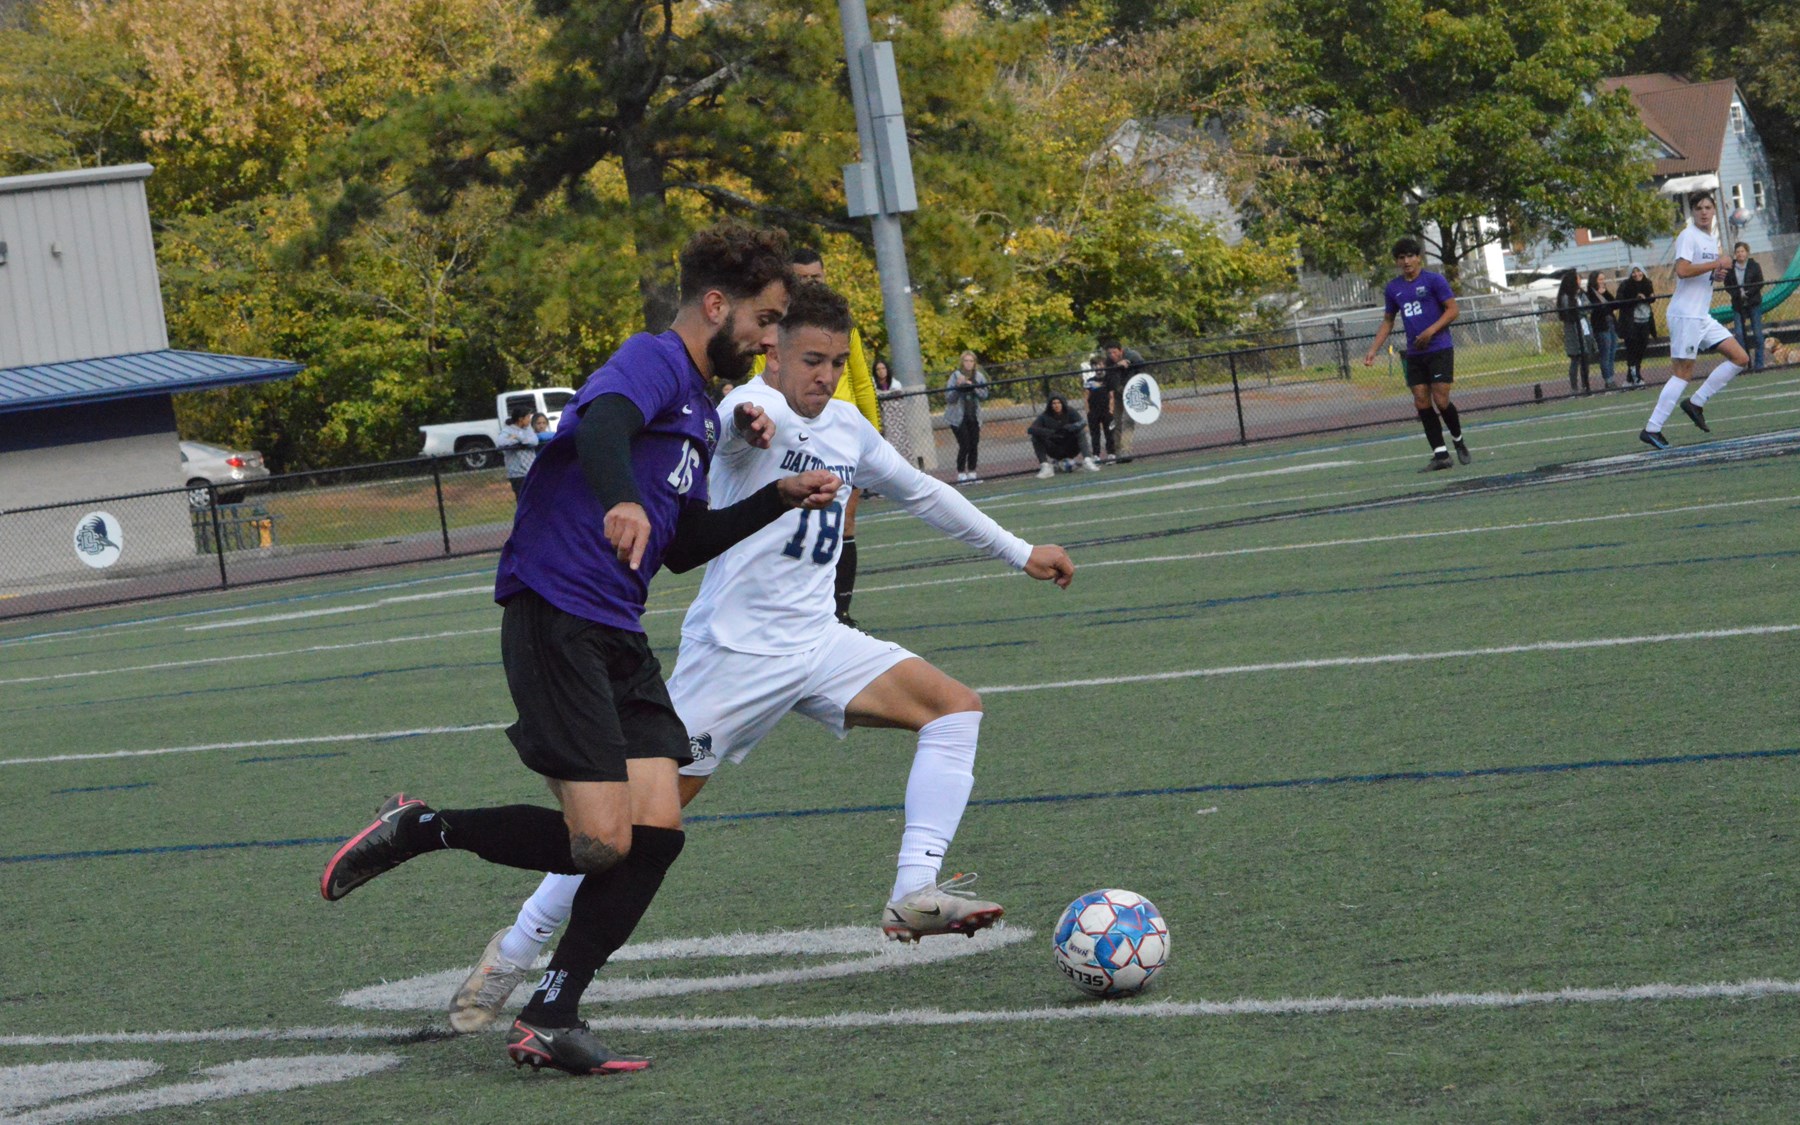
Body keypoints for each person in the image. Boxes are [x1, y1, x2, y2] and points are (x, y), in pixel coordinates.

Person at [445, 281, 1077, 1035]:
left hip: (818, 642)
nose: (823, 375)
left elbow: (923, 494)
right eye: (811, 358)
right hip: (734, 661)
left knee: (956, 707)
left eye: (837, 363)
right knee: (629, 829)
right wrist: (743, 426)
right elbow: (725, 436)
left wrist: (1020, 551)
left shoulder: (846, 428)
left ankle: (914, 888)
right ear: (771, 353)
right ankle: (510, 955)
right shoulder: (745, 409)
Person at [319, 223, 845, 1077]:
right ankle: (425, 826)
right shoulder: (654, 360)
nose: (770, 337)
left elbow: (680, 543)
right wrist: (617, 499)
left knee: (657, 830)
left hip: (618, 630)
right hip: (555, 610)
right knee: (600, 841)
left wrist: (778, 496)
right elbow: (600, 424)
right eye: (766, 317)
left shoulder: (699, 418)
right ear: (717, 305)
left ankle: (553, 1010)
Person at [1639, 193, 1753, 449]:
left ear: (1714, 211)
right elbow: (1682, 270)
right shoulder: (1688, 235)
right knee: (1682, 374)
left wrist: (1718, 272)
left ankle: (1696, 403)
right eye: (1699, 208)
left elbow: (1706, 273)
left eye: (1708, 207)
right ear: (1693, 212)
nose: (1704, 212)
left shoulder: (1710, 239)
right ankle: (1652, 428)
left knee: (1741, 359)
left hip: (1701, 315)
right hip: (1685, 315)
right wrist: (1716, 263)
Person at [1362, 237, 1471, 471]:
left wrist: (1431, 331)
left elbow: (1453, 310)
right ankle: (1440, 454)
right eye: (1401, 258)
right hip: (1415, 353)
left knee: (1441, 400)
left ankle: (1458, 439)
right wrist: (1373, 350)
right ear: (1397, 262)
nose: (1406, 261)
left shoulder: (1434, 280)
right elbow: (1388, 321)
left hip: (1439, 347)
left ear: (1418, 257)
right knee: (1421, 400)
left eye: (1410, 256)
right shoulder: (1393, 288)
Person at [1028, 394, 1101, 477]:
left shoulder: (1070, 411)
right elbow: (1031, 429)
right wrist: (1051, 432)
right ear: (1050, 405)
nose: (1056, 405)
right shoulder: (1044, 416)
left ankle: (1087, 461)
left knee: (1081, 431)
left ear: (1063, 403)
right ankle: (1045, 466)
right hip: (1054, 449)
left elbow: (1082, 422)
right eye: (1054, 403)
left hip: (1071, 447)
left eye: (1059, 403)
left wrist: (1071, 428)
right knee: (1035, 437)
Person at [944, 350, 988, 483]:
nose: (968, 364)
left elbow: (984, 394)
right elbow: (949, 398)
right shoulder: (955, 376)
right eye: (966, 361)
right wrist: (958, 386)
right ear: (962, 362)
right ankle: (961, 472)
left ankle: (973, 472)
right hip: (958, 417)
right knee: (964, 444)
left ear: (974, 363)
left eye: (971, 361)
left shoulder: (979, 376)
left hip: (973, 415)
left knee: (974, 444)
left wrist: (973, 387)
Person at [1099, 341, 1146, 462]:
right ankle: (1117, 450)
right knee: (1116, 421)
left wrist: (1128, 363)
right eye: (1109, 353)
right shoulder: (1109, 362)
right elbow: (1109, 378)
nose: (1112, 355)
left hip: (1133, 392)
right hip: (1119, 393)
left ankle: (1126, 450)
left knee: (1129, 421)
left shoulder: (1132, 355)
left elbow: (1142, 366)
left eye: (1114, 352)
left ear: (1120, 351)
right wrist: (1117, 366)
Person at [1725, 241, 1766, 371]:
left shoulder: (1754, 266)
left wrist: (1748, 293)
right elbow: (1727, 285)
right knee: (1739, 333)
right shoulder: (1730, 269)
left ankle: (1759, 364)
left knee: (1758, 334)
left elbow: (1760, 282)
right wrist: (1738, 294)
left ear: (1747, 252)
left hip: (1753, 303)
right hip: (1738, 305)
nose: (1740, 254)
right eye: (1737, 252)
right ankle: (1743, 364)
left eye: (1742, 251)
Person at [1617, 264, 1656, 388]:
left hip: (1645, 322)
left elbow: (1651, 298)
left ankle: (1631, 378)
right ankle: (1636, 377)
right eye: (1633, 272)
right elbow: (1620, 301)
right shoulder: (1625, 285)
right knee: (1632, 351)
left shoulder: (1647, 283)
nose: (1636, 274)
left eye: (1639, 271)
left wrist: (1649, 298)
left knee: (1641, 350)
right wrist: (1635, 298)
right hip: (1631, 323)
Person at [1555, 269, 1594, 395]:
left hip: (1584, 328)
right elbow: (1570, 312)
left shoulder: (1581, 294)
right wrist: (1581, 311)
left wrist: (1582, 311)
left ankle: (1586, 385)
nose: (1580, 281)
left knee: (1585, 358)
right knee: (1575, 359)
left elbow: (1588, 307)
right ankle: (1574, 387)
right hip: (1573, 330)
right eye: (1578, 279)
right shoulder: (1566, 296)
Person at [498, 405, 539, 499]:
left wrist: (517, 437)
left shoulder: (528, 429)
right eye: (528, 417)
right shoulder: (507, 430)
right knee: (522, 500)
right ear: (521, 419)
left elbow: (534, 441)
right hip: (517, 474)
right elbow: (501, 443)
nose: (530, 419)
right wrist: (520, 440)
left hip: (531, 471)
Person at [1587, 270, 1619, 390]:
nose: (1602, 282)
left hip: (1611, 324)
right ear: (1594, 280)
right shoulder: (1590, 293)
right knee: (1605, 353)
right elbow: (1598, 309)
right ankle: (1608, 380)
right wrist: (1603, 302)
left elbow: (1615, 305)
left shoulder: (1604, 292)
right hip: (1601, 326)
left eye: (1603, 279)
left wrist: (1605, 294)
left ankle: (1611, 378)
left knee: (1612, 352)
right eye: (1600, 279)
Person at [1081, 351, 1115, 460]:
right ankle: (1096, 455)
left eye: (1100, 364)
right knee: (1095, 434)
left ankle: (1111, 453)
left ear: (1104, 365)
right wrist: (1088, 411)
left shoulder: (1108, 379)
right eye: (1095, 365)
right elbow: (1086, 397)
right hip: (1094, 411)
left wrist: (1111, 410)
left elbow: (1111, 396)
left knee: (1109, 432)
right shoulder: (1090, 381)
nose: (1098, 367)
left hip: (1106, 411)